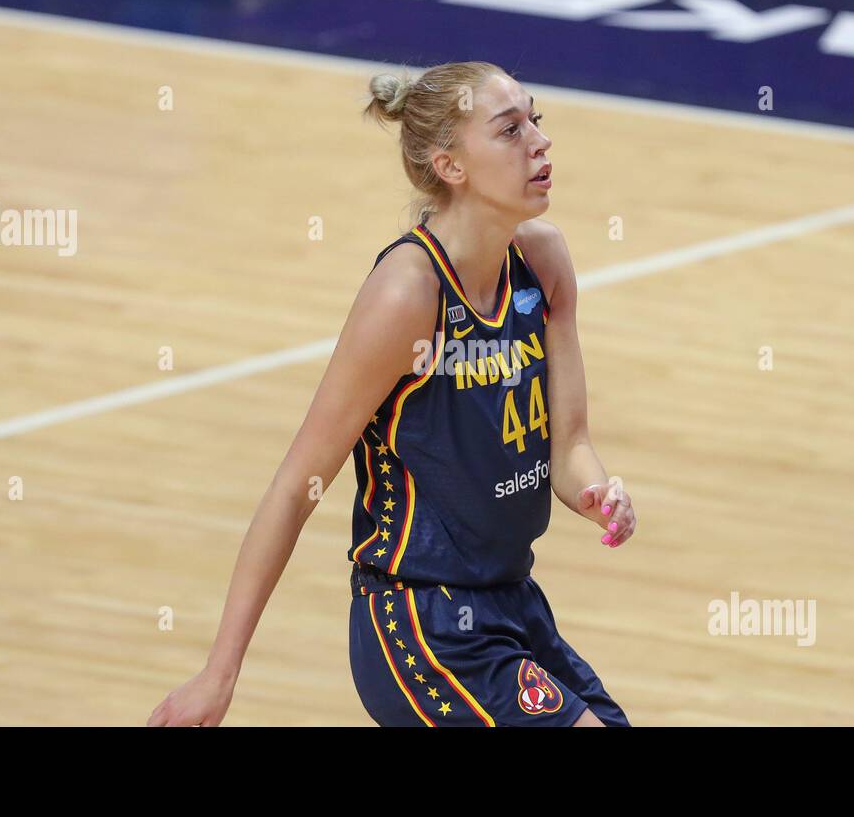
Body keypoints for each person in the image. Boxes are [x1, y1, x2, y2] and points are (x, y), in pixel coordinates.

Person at [148, 61, 636, 727]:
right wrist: (219, 672)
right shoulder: (409, 294)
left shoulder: (544, 263)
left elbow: (569, 444)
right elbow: (297, 482)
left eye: (537, 121)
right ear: (451, 166)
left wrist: (597, 493)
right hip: (417, 620)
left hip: (511, 601)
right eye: (510, 129)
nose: (540, 142)